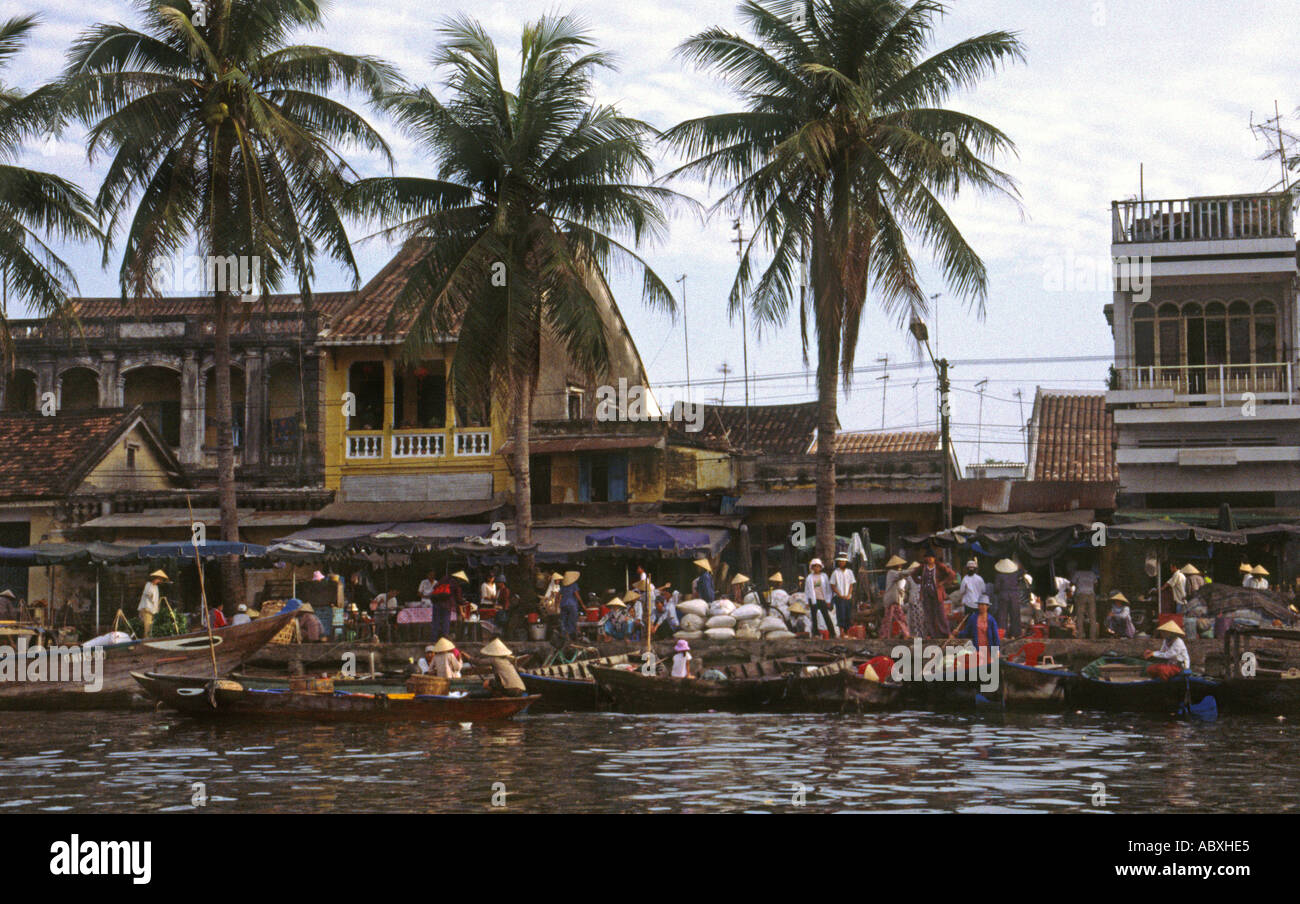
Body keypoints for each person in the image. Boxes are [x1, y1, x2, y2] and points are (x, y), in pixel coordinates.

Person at [912, 554, 955, 637]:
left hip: (937, 594)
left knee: (940, 613)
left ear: (934, 558)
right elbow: (913, 574)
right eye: (928, 557)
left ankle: (946, 633)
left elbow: (952, 574)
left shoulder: (939, 566)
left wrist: (943, 582)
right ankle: (933, 634)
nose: (929, 559)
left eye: (931, 557)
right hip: (926, 593)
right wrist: (920, 581)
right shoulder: (923, 567)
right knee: (929, 614)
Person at [429, 570, 467, 642]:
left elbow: (435, 587)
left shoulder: (444, 578)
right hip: (446, 605)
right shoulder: (456, 585)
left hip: (436, 603)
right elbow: (459, 599)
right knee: (445, 623)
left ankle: (433, 640)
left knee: (435, 622)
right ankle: (444, 641)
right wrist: (464, 604)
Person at [992, 559, 1023, 640]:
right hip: (1014, 596)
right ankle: (1015, 634)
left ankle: (1003, 635)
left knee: (1002, 616)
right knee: (1015, 615)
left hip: (1003, 595)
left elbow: (996, 588)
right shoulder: (1016, 574)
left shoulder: (999, 575)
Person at [804, 559, 836, 637]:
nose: (816, 568)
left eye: (818, 566)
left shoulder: (824, 576)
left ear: (820, 567)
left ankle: (832, 633)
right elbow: (807, 590)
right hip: (813, 600)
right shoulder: (809, 577)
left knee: (826, 616)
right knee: (814, 617)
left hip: (822, 599)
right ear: (812, 568)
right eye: (814, 566)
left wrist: (828, 600)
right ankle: (815, 633)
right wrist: (807, 602)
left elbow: (828, 589)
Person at [881, 555, 910, 640]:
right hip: (891, 601)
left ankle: (888, 635)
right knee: (894, 619)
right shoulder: (892, 573)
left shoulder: (895, 574)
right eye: (899, 565)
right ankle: (886, 636)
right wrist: (914, 570)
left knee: (895, 619)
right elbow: (902, 574)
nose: (901, 566)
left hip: (895, 600)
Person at [1070, 562, 1099, 639]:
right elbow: (1096, 584)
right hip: (1091, 595)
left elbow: (1072, 583)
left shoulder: (1077, 573)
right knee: (1092, 616)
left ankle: (1080, 636)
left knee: (1080, 616)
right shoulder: (1092, 574)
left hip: (1081, 595)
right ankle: (1093, 636)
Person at [830, 553, 857, 634]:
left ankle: (847, 631)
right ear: (838, 562)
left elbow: (851, 584)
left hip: (848, 597)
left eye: (843, 562)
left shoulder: (850, 572)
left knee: (848, 613)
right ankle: (841, 632)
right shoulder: (835, 572)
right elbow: (832, 585)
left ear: (846, 563)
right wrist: (839, 594)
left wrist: (849, 594)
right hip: (839, 597)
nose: (841, 563)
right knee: (840, 613)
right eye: (840, 561)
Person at [138, 570, 167, 638]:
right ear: (154, 578)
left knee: (150, 626)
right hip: (146, 608)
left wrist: (157, 606)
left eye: (160, 580)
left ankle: (148, 638)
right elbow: (148, 593)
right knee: (147, 626)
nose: (159, 581)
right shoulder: (148, 584)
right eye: (158, 579)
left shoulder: (156, 587)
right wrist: (152, 598)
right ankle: (146, 640)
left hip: (152, 609)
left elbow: (156, 599)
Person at [558, 571, 582, 642]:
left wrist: (557, 605)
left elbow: (558, 596)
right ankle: (570, 635)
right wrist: (582, 604)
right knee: (572, 620)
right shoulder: (574, 585)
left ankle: (565, 635)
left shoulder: (563, 586)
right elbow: (577, 595)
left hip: (563, 604)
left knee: (564, 620)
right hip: (572, 605)